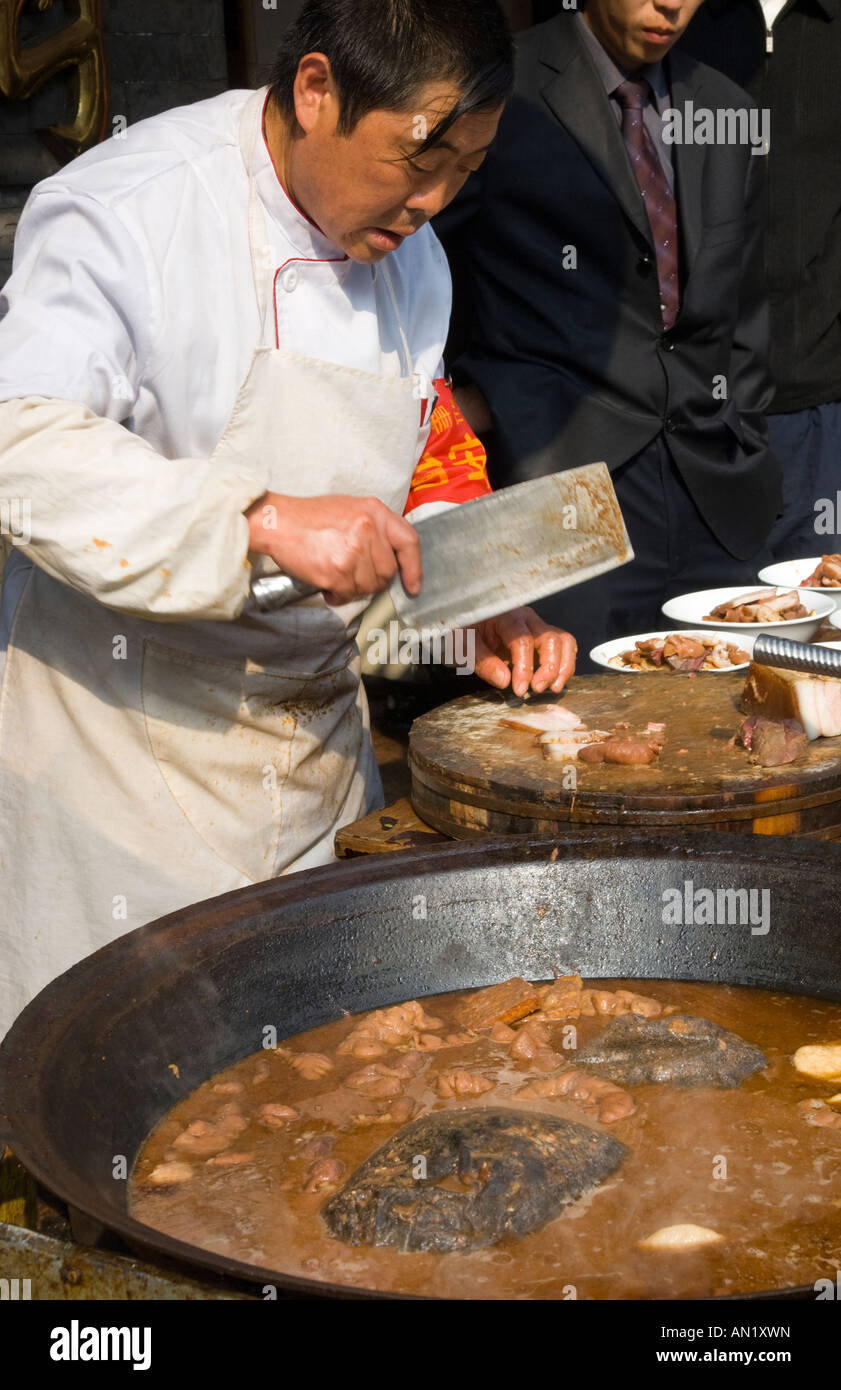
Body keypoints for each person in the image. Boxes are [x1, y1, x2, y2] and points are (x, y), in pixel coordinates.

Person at [0, 0, 577, 1040]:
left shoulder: (415, 258)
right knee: (145, 1081)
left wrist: (471, 589)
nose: (433, 202)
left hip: (319, 757)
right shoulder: (130, 207)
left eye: (465, 170)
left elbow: (415, 449)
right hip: (128, 765)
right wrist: (258, 521)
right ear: (316, 89)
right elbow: (20, 441)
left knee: (327, 1079)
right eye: (419, 160)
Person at [434, 0, 782, 663]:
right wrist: (473, 403)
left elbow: (743, 310)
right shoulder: (497, 86)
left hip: (715, 494)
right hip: (554, 493)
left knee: (727, 714)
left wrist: (744, 432)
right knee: (574, 714)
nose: (670, 5)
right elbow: (421, 264)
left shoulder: (724, 106)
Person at [679, 0, 841, 560]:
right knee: (701, 611)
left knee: (818, 608)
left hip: (824, 408)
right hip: (686, 411)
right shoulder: (674, 22)